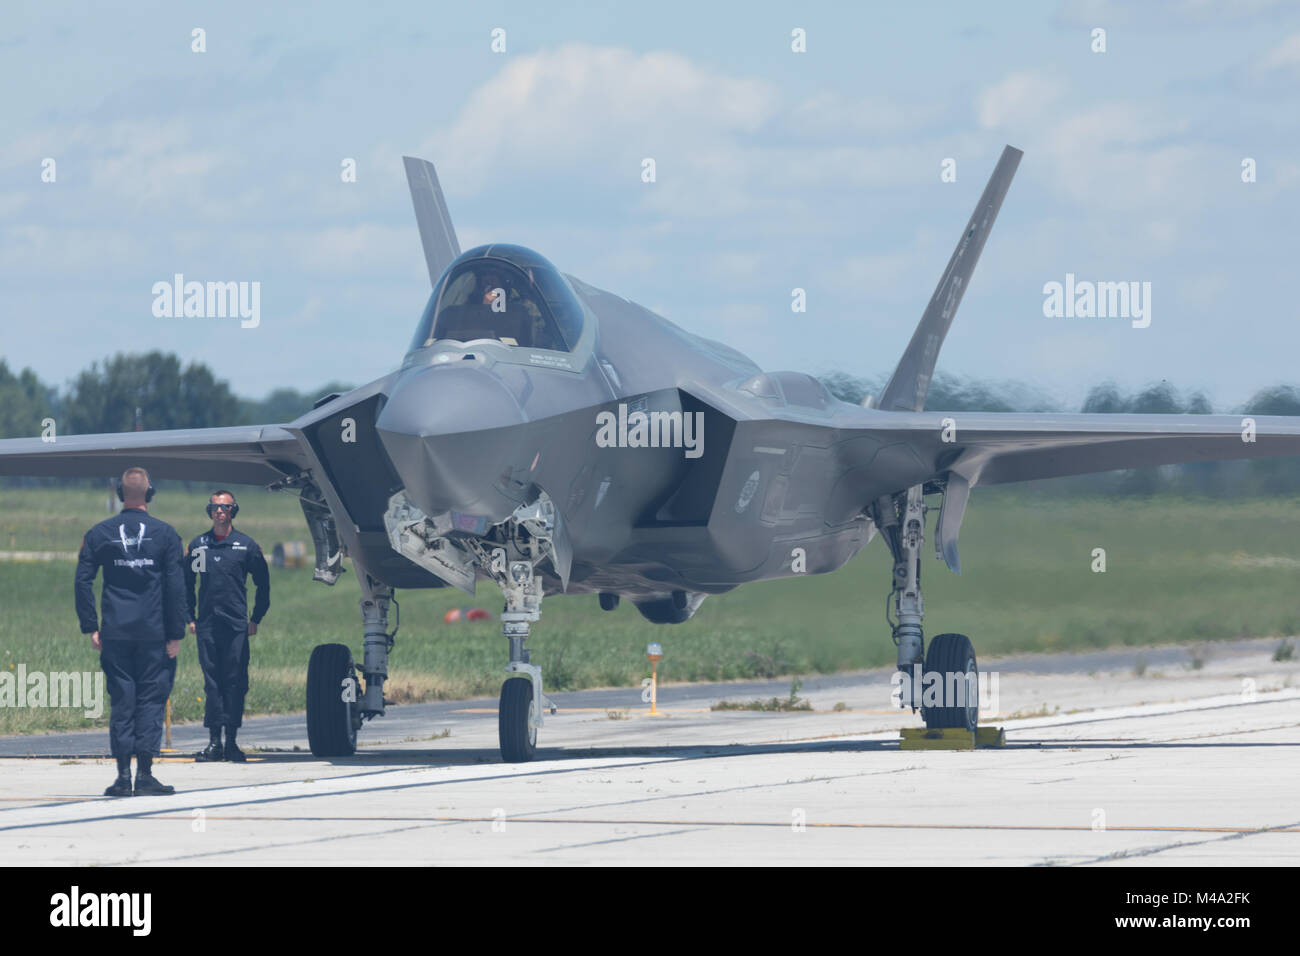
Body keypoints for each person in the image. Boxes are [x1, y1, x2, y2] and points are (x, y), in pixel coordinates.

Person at [75, 467, 185, 797]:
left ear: (121, 494)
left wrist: (91, 627)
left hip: (116, 634)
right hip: (153, 634)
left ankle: (123, 777)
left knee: (123, 701)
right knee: (150, 701)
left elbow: (82, 581)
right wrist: (175, 633)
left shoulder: (98, 533)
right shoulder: (166, 535)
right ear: (150, 494)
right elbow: (175, 587)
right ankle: (146, 775)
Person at [184, 490, 270, 762]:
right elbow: (186, 583)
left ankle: (231, 742)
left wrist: (255, 618)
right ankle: (213, 743)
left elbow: (263, 584)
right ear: (209, 511)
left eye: (225, 508)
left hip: (236, 626)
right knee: (212, 684)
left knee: (234, 682)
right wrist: (190, 617)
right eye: (215, 508)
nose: (220, 512)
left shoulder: (246, 546)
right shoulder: (199, 545)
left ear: (234, 511)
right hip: (208, 624)